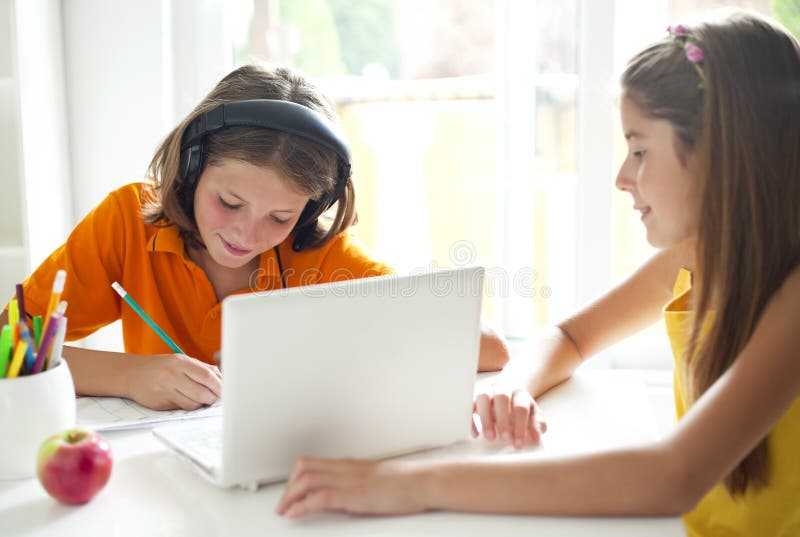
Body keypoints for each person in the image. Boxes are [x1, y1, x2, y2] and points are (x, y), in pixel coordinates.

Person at [276, 12, 800, 535]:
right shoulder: (694, 255)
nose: (622, 177)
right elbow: (571, 335)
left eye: (640, 150)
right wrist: (513, 385)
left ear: (721, 153)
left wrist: (409, 484)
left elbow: (674, 475)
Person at [1, 64, 510, 410]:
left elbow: (490, 350)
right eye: (229, 203)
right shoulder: (128, 221)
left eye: (281, 216)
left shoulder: (320, 254)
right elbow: (6, 344)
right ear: (192, 166)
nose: (246, 234)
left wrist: (325, 343)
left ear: (311, 211)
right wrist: (131, 376)